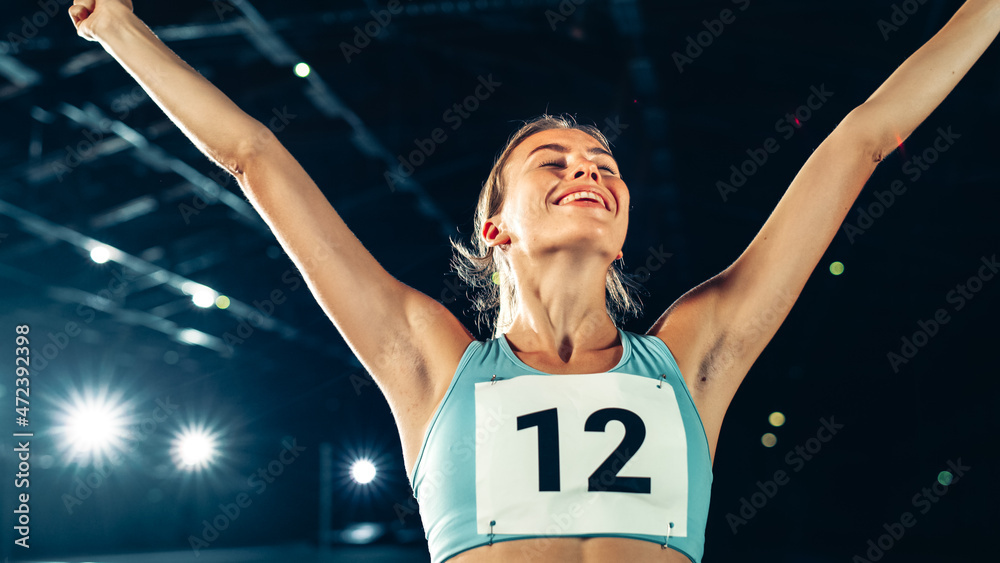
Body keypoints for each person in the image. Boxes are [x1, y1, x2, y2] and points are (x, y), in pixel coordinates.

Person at [69, 1, 1000, 561]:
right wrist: (118, 28)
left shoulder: (695, 352)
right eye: (553, 161)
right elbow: (254, 159)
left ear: (623, 232)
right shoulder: (430, 363)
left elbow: (862, 141)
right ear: (495, 227)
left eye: (603, 164)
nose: (589, 169)